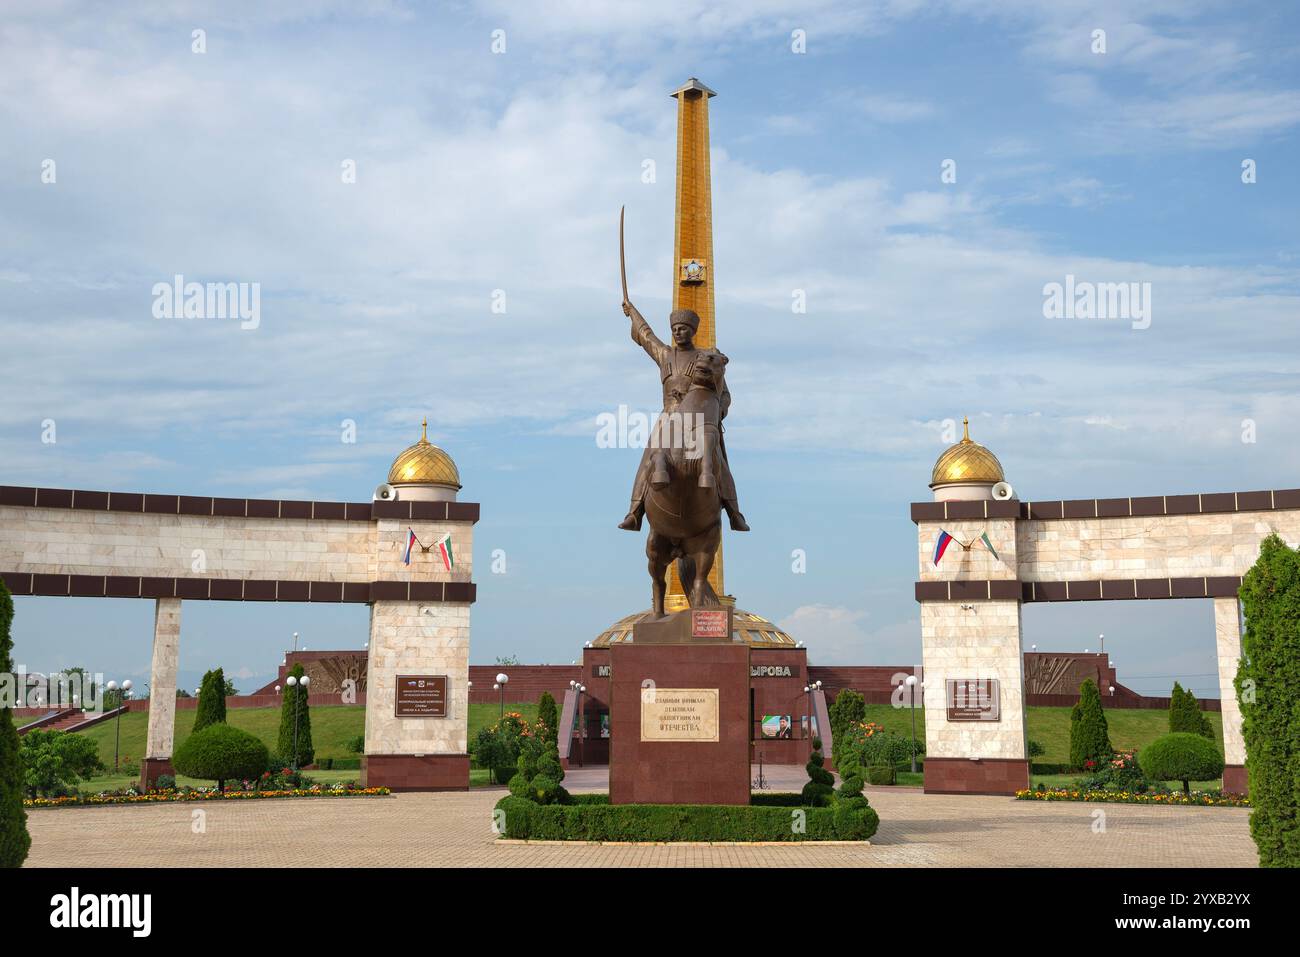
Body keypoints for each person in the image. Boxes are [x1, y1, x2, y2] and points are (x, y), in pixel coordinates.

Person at [617, 299, 748, 532]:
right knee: (649, 457)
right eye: (675, 329)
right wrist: (632, 311)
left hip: (699, 420)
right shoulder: (665, 354)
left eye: (683, 328)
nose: (678, 332)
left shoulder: (705, 358)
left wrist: (718, 410)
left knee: (718, 459)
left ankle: (734, 513)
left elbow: (724, 394)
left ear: (693, 331)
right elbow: (646, 335)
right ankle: (635, 513)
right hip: (669, 418)